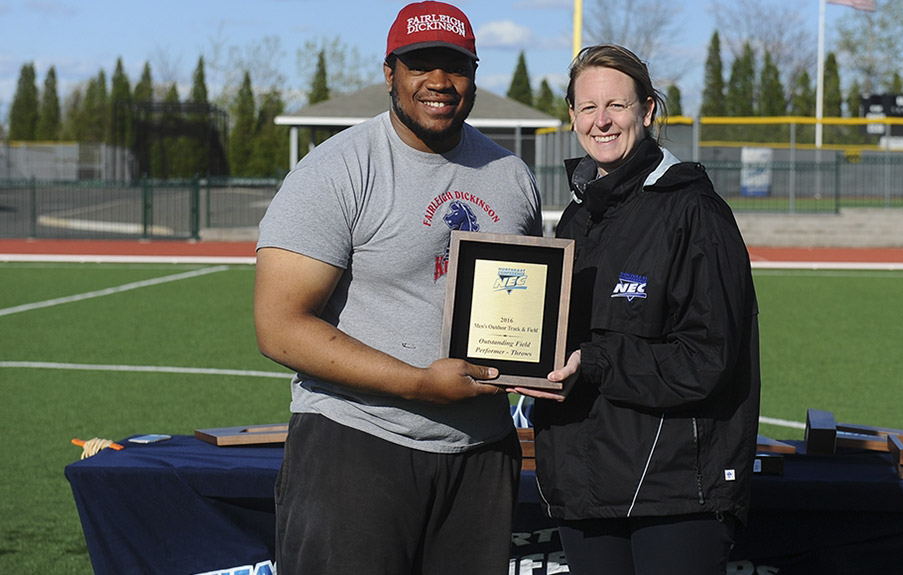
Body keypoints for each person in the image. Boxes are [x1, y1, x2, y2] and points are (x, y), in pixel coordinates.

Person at [253, 2, 542, 573]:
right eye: (420, 64)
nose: (439, 82)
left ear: (475, 75)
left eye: (455, 65)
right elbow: (278, 327)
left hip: (480, 456)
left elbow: (530, 308)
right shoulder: (337, 168)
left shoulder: (511, 177)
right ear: (390, 74)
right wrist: (417, 384)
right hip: (357, 445)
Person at [512, 44, 761, 575]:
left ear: (647, 111)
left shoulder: (694, 210)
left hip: (673, 493)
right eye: (587, 107)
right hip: (584, 485)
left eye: (616, 106)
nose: (601, 121)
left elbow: (708, 358)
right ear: (572, 115)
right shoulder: (577, 219)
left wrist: (596, 361)